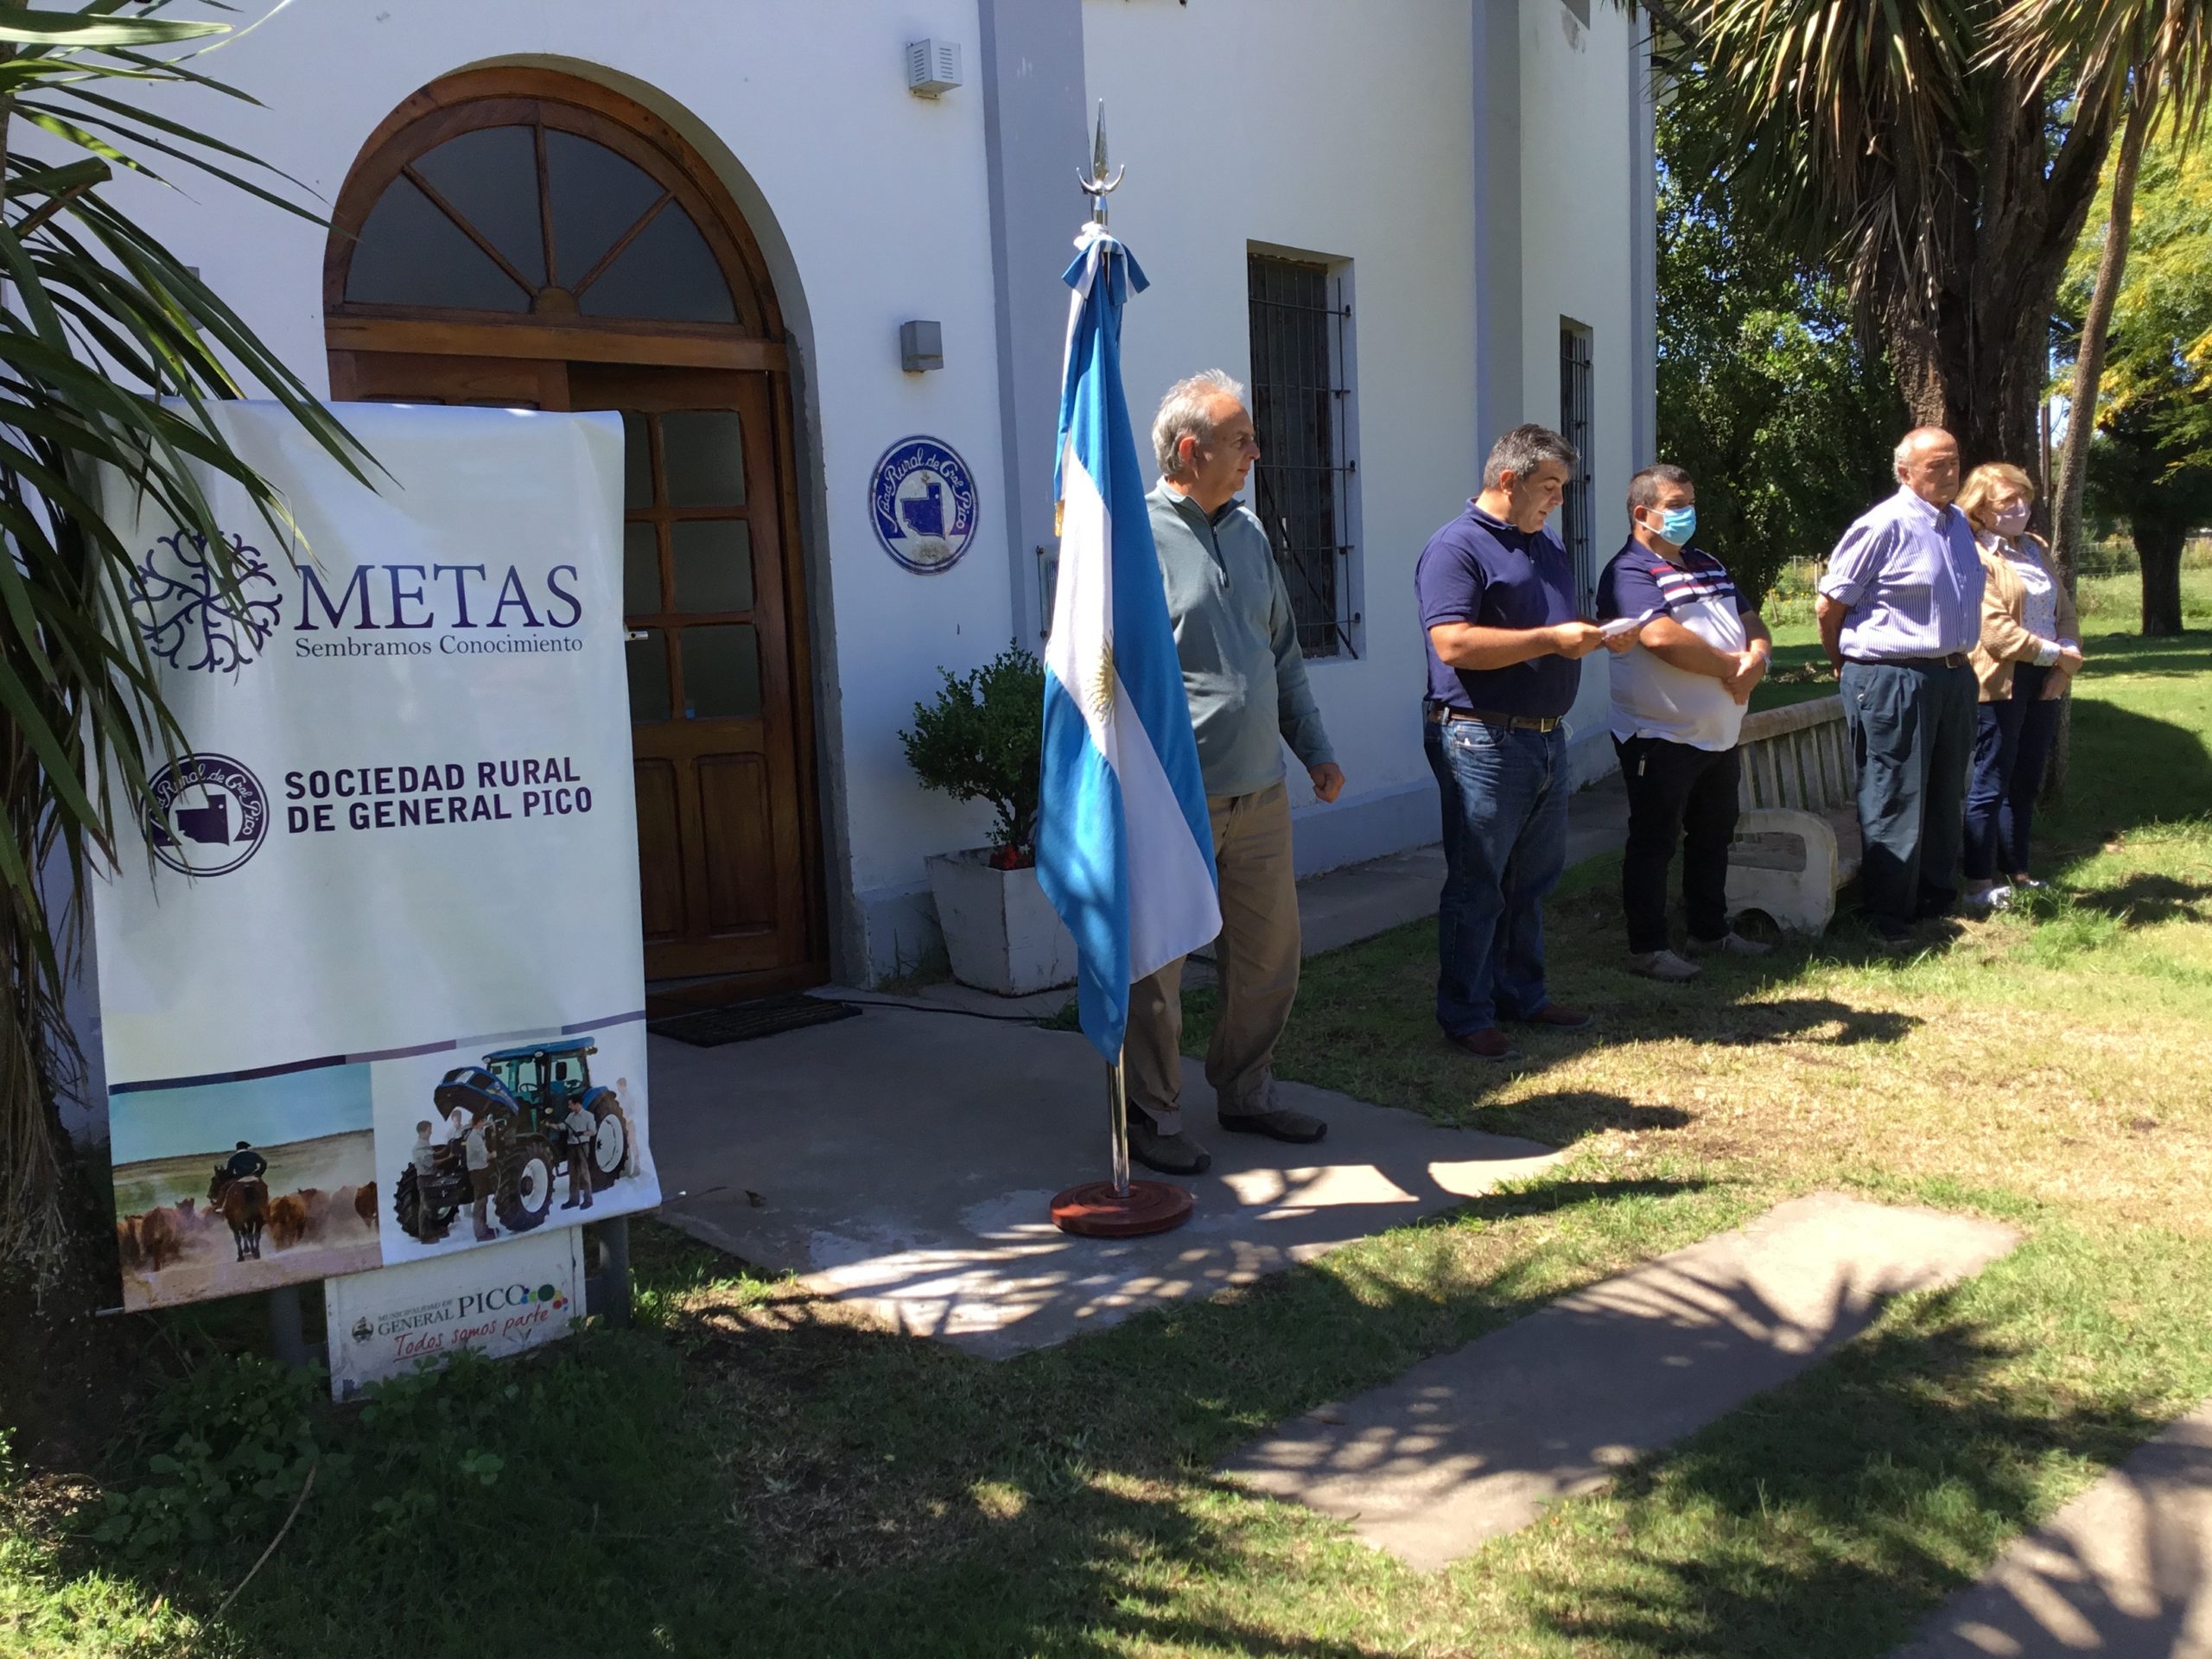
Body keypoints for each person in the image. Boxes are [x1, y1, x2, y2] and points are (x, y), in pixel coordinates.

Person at [1122, 370, 1344, 1175]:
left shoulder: (1248, 533)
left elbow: (1280, 653)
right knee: (1159, 969)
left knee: (1268, 956)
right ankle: (1151, 1114)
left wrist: (1314, 749)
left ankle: (1246, 1092)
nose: (1256, 451)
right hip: (1173, 798)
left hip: (1261, 794)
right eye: (1241, 438)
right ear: (1191, 449)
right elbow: (1102, 667)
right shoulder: (1131, 535)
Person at [1417, 423, 1636, 1061]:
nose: (1558, 500)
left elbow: (1553, 625)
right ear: (1507, 481)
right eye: (1550, 487)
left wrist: (1595, 633)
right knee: (1479, 882)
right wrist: (1552, 642)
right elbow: (1452, 643)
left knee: (1532, 880)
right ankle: (1466, 1011)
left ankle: (1522, 993)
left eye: (1562, 488)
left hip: (1542, 739)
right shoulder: (1457, 548)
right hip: (1480, 738)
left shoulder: (1544, 544)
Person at [1595, 463, 1774, 979]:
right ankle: (1648, 948)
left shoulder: (1705, 562)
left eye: (1690, 503)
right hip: (1659, 735)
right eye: (1676, 506)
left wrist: (1757, 660)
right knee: (1654, 840)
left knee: (1713, 835)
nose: (1687, 514)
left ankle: (1710, 931)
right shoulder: (1629, 572)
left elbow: (1750, 618)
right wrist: (1730, 672)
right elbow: (1659, 637)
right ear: (1641, 513)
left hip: (1717, 734)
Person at [1815, 427, 1986, 944]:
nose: (1949, 473)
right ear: (1904, 471)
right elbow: (1830, 604)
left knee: (1942, 790)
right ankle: (1888, 916)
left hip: (1953, 674)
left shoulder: (1956, 524)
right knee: (1894, 794)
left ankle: (1933, 900)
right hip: (1894, 675)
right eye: (1936, 465)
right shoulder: (1883, 525)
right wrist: (1841, 659)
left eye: (1954, 462)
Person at [1959, 462, 2083, 907]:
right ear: (1980, 507)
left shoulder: (2033, 548)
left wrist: (2064, 664)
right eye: (2007, 501)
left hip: (2046, 674)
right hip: (2001, 678)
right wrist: (2058, 656)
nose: (2020, 508)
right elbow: (1994, 631)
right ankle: (1977, 882)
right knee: (1991, 779)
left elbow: (2063, 609)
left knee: (2027, 779)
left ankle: (2019, 873)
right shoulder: (1973, 554)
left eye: (2024, 498)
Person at [463, 1109, 496, 1242]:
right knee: (480, 1202)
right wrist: (495, 1154)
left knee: (483, 1201)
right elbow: (485, 1156)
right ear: (478, 1123)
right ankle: (480, 1233)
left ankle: (484, 1228)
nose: (484, 1123)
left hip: (480, 1172)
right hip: (478, 1173)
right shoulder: (475, 1138)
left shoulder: (476, 1134)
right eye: (483, 1121)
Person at [559, 1096, 596, 1211]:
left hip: (582, 1146)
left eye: (571, 1104)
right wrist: (551, 1125)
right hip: (572, 1147)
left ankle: (588, 1200)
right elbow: (564, 1126)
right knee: (573, 1174)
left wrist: (582, 1133)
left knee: (584, 1173)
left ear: (577, 1104)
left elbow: (593, 1131)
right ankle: (573, 1200)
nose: (569, 1107)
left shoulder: (588, 1116)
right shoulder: (571, 1116)